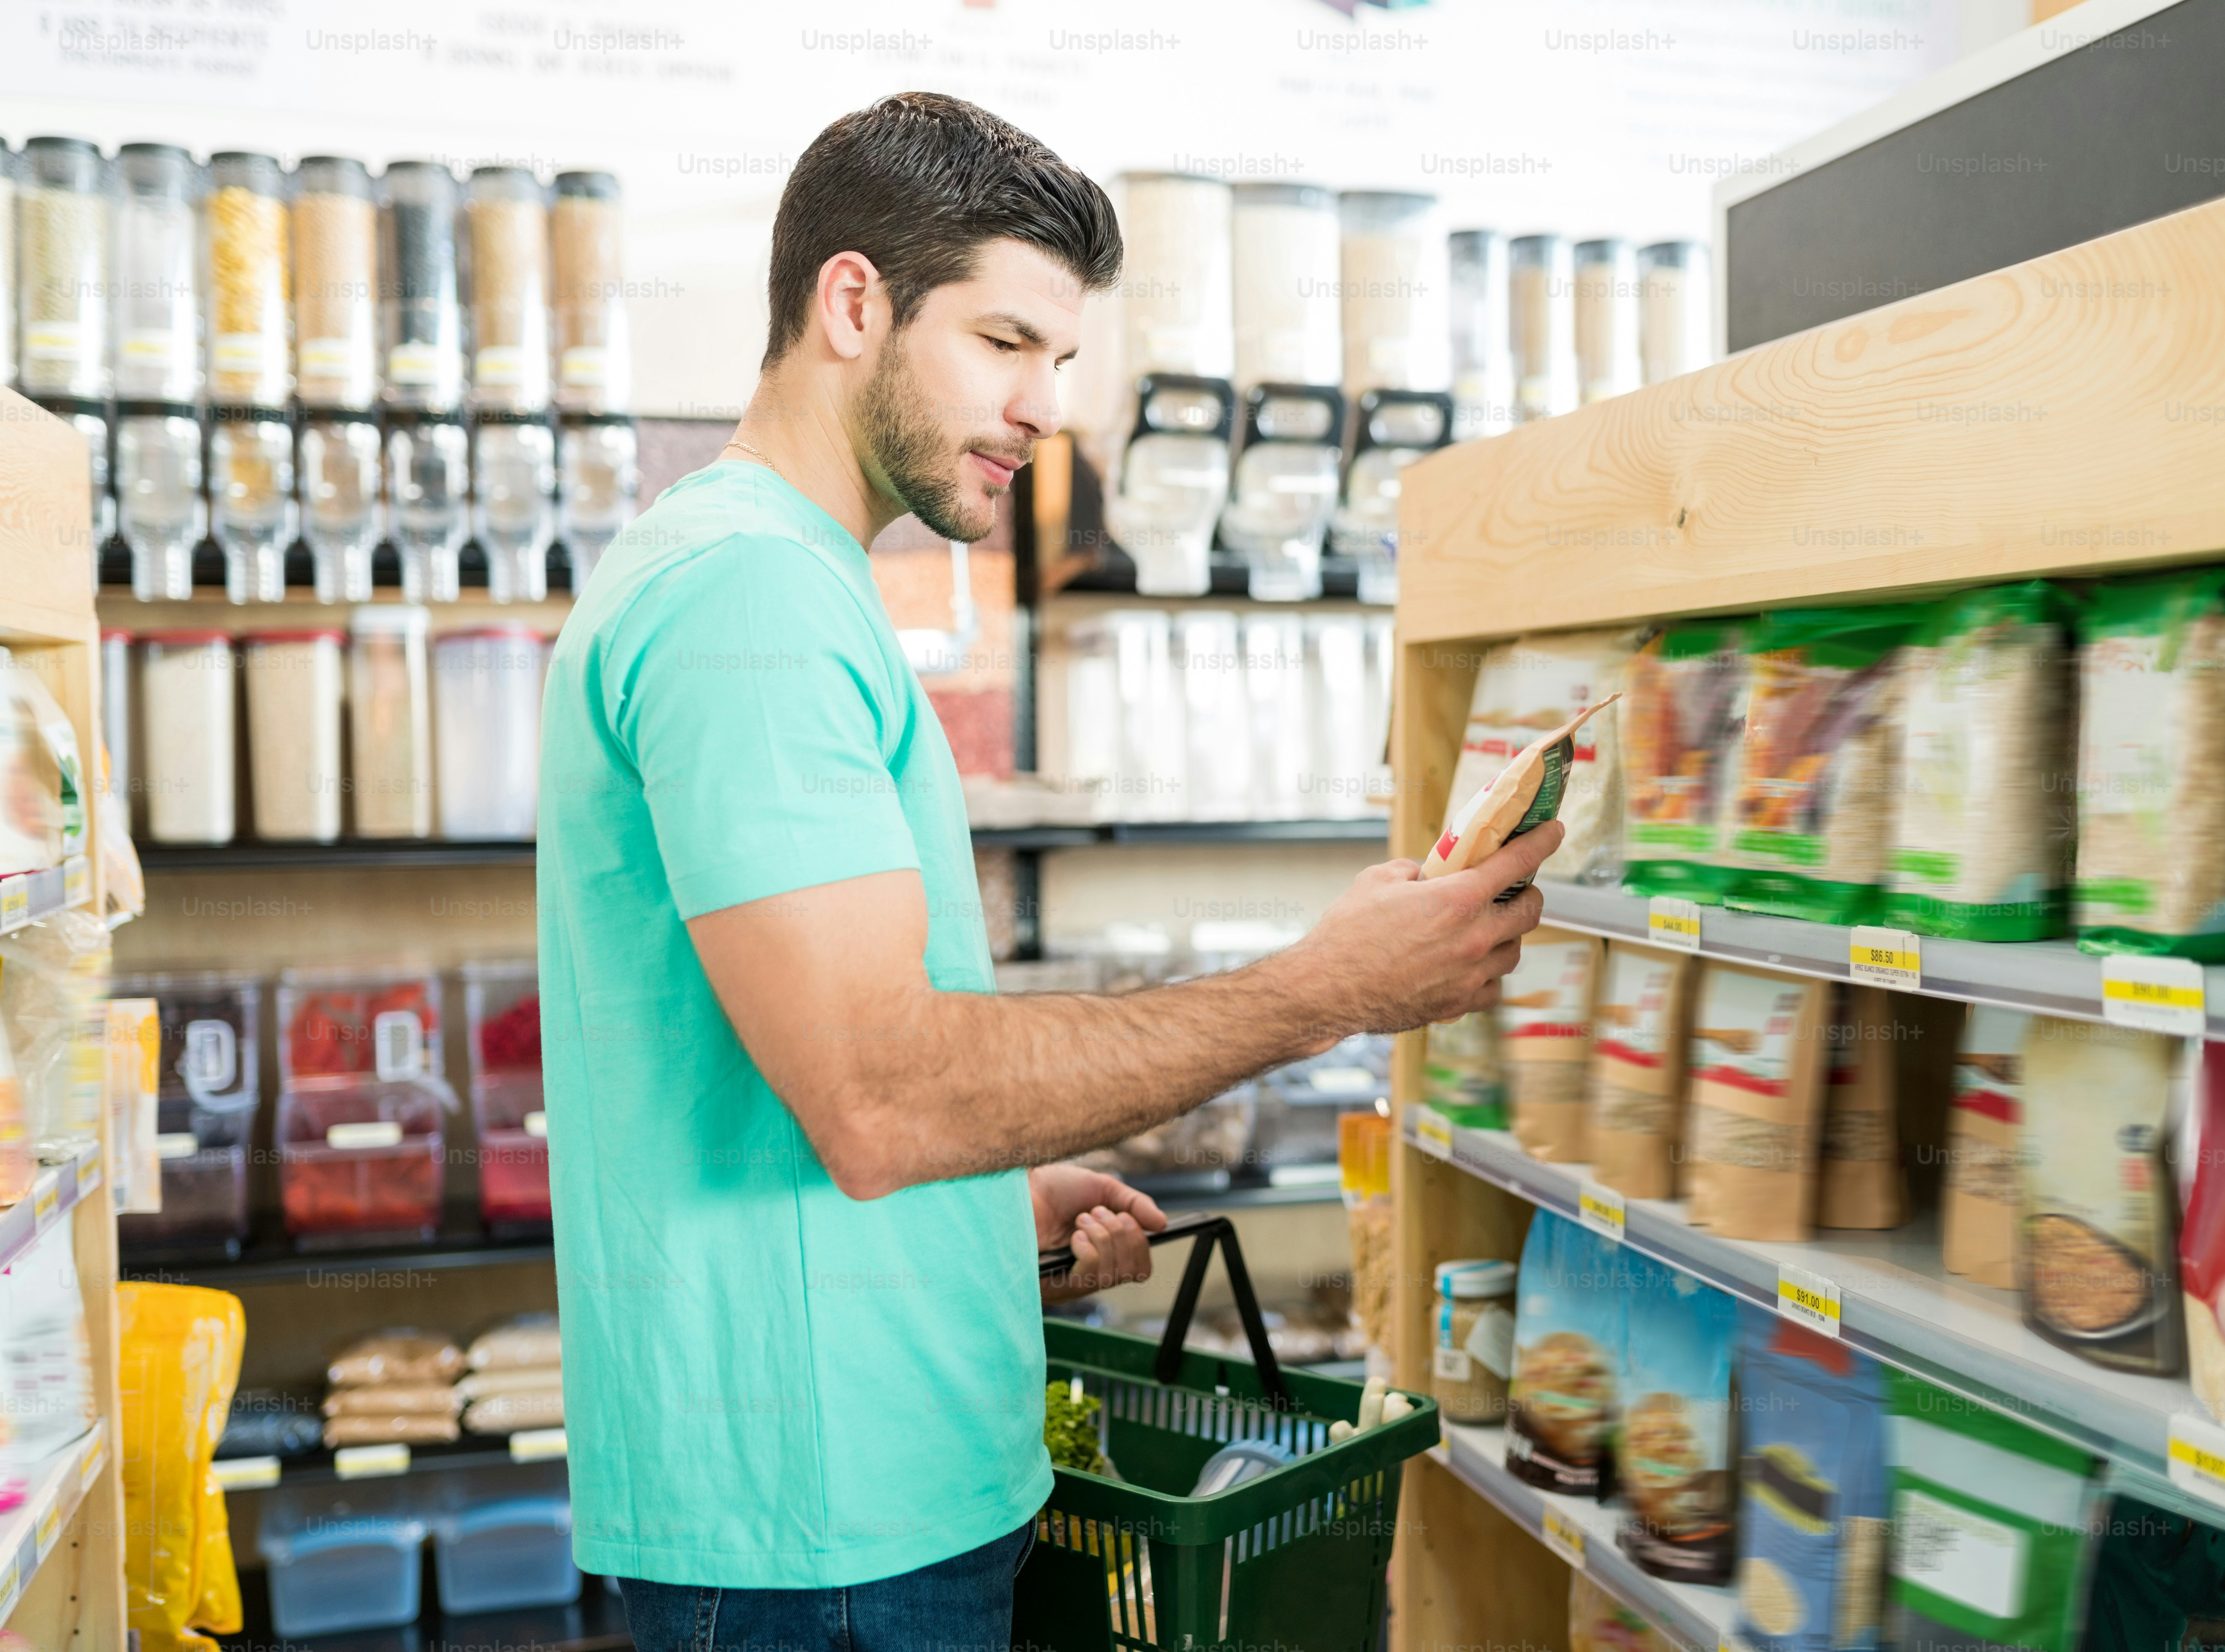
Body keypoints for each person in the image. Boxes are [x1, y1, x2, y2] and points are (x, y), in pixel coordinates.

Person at [536, 91, 1554, 1651]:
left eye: (1062, 362)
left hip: (876, 1491)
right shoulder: (749, 601)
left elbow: (816, 1079)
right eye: (1006, 344)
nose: (1043, 405)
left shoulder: (790, 581)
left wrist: (991, 1206)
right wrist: (1322, 994)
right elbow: (879, 1098)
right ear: (854, 304)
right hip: (817, 1531)